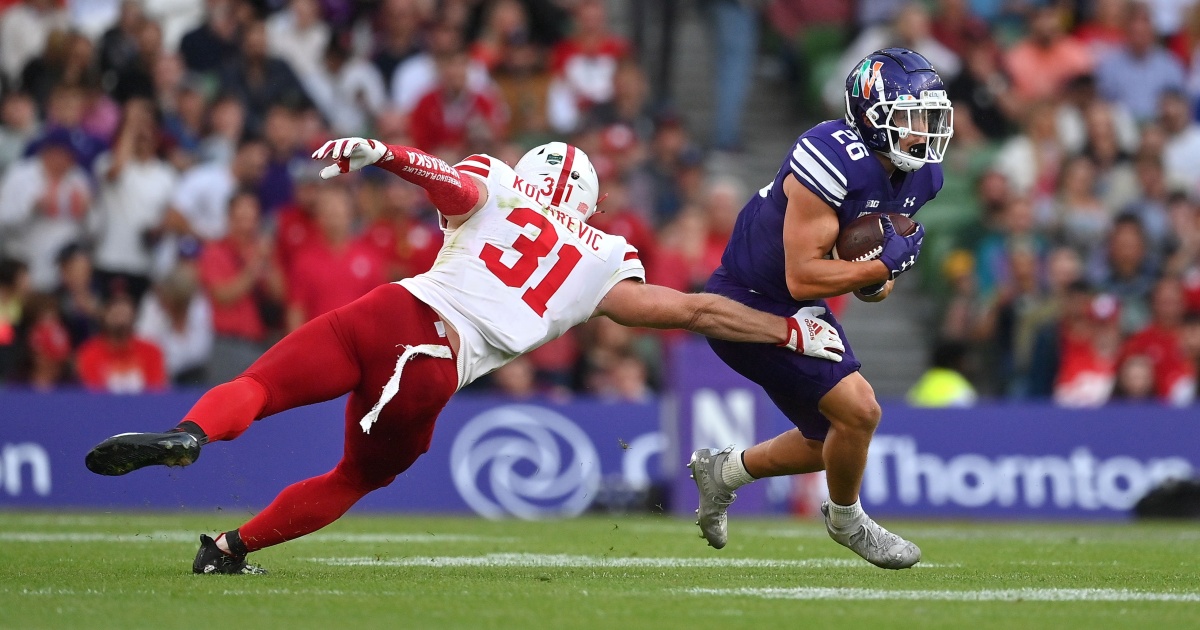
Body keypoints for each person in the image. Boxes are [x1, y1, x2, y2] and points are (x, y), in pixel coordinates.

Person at [84, 136, 846, 574]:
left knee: (255, 382)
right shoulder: (604, 257)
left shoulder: (501, 182)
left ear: (533, 171)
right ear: (584, 199)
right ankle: (228, 548)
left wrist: (382, 152)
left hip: (387, 309)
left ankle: (190, 433)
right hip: (435, 363)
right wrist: (786, 331)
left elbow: (445, 181)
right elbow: (694, 311)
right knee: (354, 475)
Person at [688, 48, 946, 570]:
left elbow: (867, 282)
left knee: (830, 442)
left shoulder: (920, 177)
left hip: (801, 306)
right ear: (874, 117)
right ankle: (847, 519)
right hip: (748, 301)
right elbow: (802, 273)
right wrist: (878, 269)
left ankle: (724, 472)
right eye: (913, 117)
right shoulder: (828, 153)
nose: (925, 131)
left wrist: (883, 274)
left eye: (930, 117)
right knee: (861, 412)